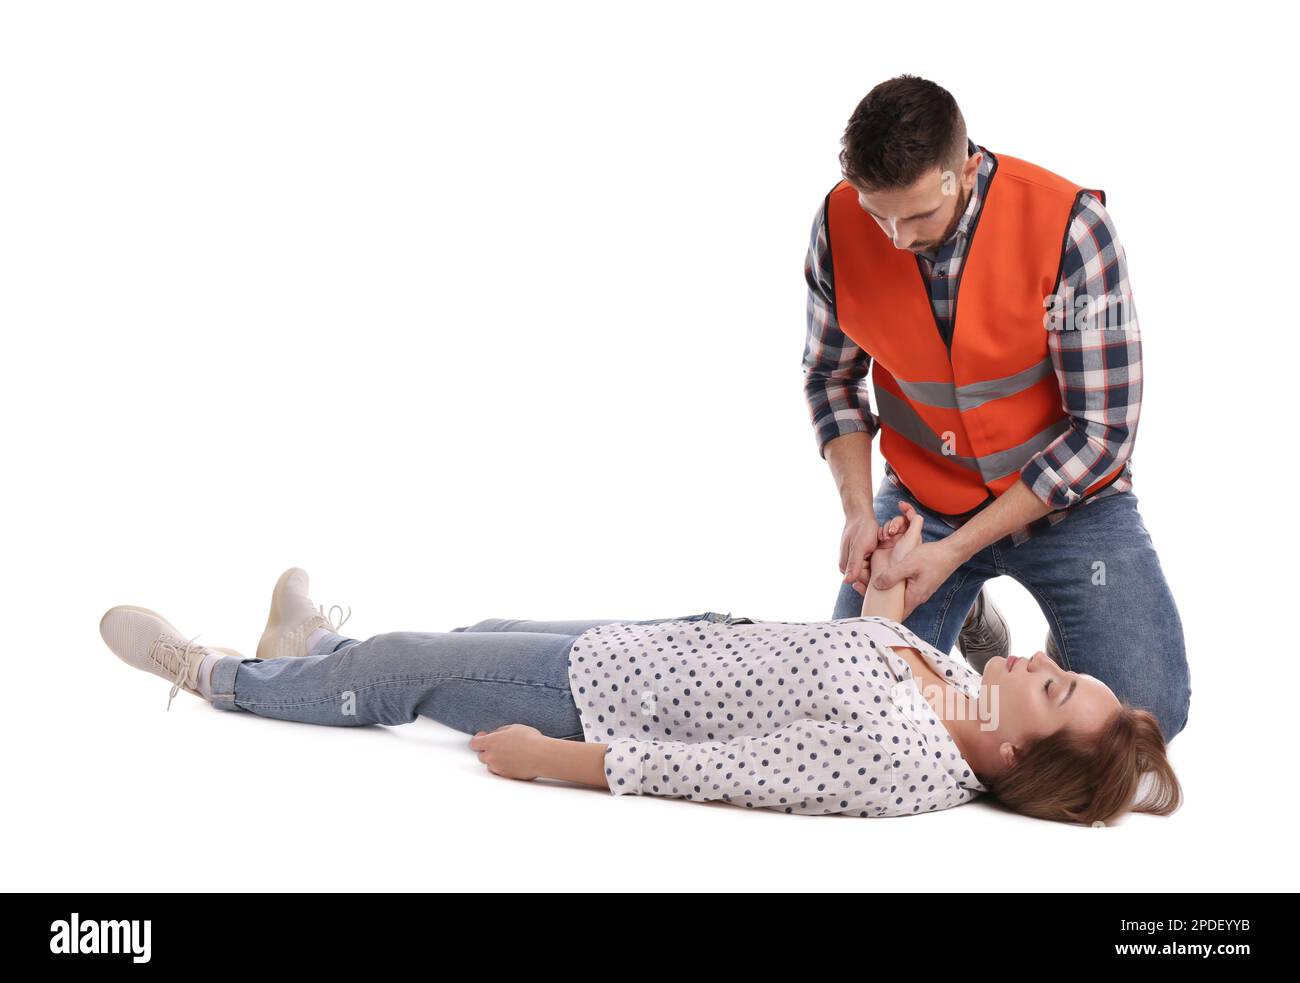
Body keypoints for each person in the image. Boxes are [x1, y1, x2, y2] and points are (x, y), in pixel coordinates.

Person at [99, 505, 1181, 825]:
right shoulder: (947, 691)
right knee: (469, 632)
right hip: (646, 643)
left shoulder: (899, 763)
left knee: (402, 672)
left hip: (585, 701)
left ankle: (220, 673)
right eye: (1053, 664)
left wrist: (548, 762)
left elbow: (711, 772)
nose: (1038, 656)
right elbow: (870, 633)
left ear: (1010, 749)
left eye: (1049, 682)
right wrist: (889, 571)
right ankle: (314, 649)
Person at [801, 75, 1191, 743]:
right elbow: (831, 379)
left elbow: (1103, 434)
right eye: (879, 215)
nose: (895, 238)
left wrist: (954, 553)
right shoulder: (839, 225)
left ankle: (1011, 631)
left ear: (966, 170)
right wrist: (861, 512)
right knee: (853, 706)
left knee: (1141, 716)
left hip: (1070, 504)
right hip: (924, 501)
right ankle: (968, 612)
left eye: (918, 216)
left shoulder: (1071, 228)